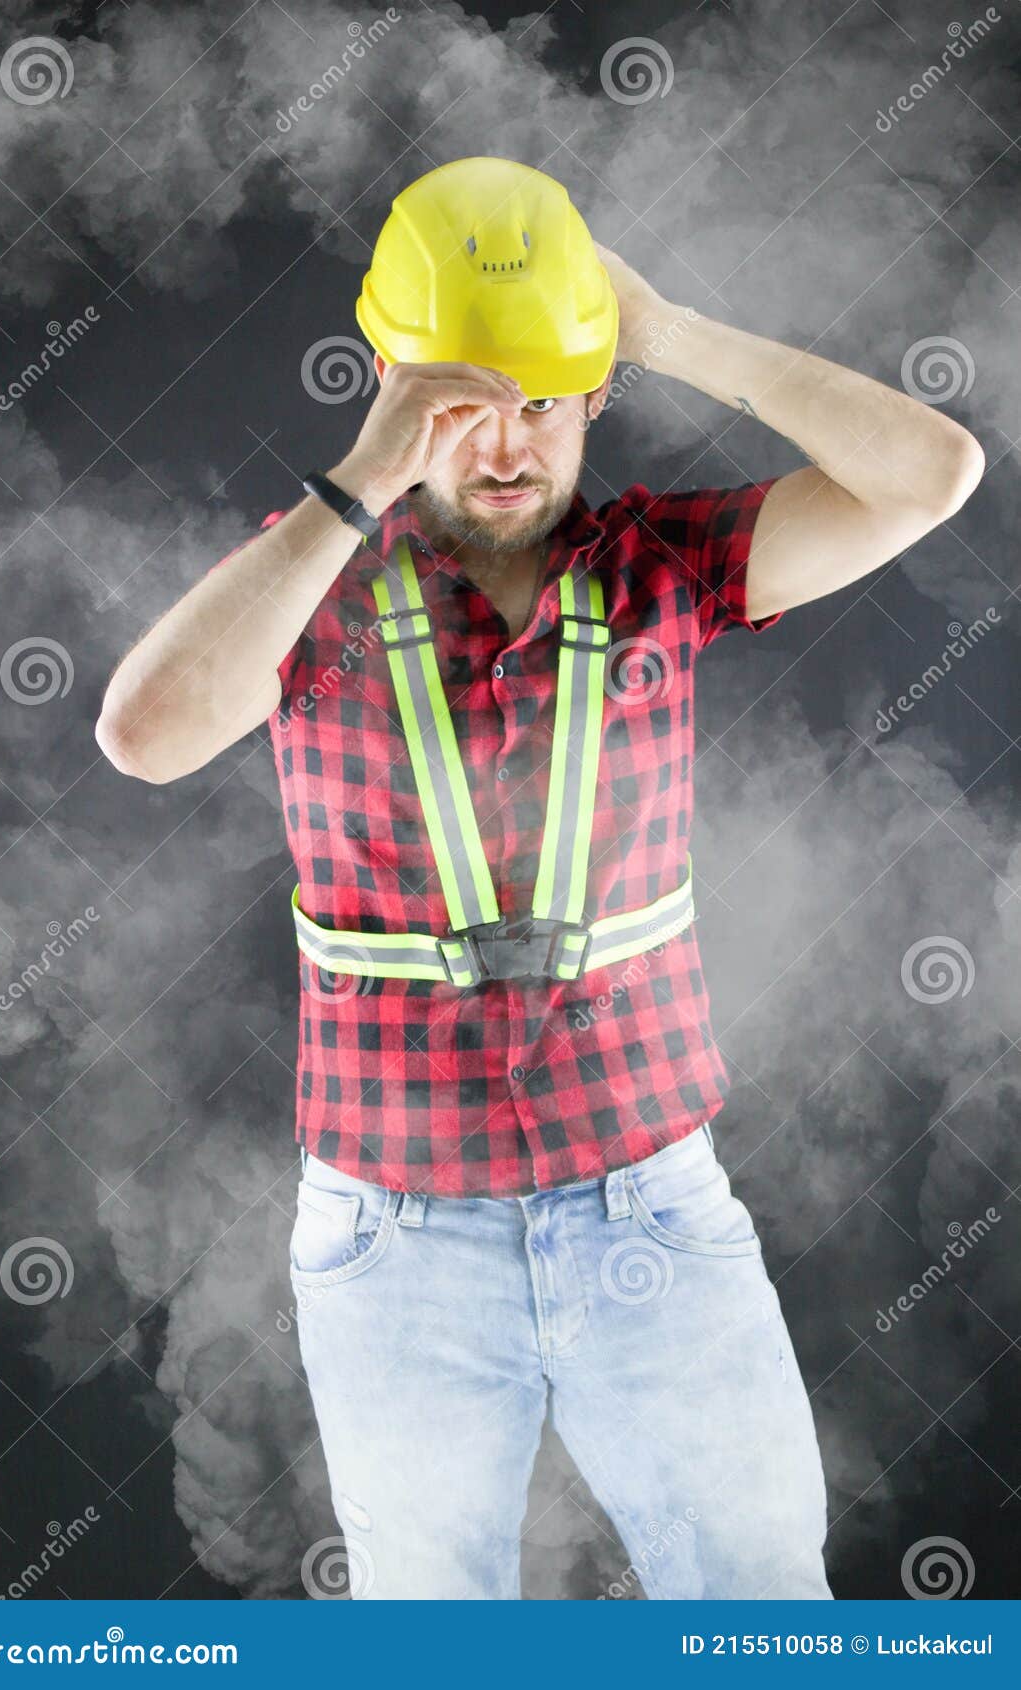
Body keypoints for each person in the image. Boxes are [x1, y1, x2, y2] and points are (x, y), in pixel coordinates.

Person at [95, 157, 984, 1600]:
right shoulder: (310, 583)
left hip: (654, 1205)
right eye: (465, 405)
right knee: (433, 1627)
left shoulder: (663, 567)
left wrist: (673, 328)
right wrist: (365, 475)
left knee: (767, 1608)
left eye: (551, 400)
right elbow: (141, 734)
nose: (510, 444)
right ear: (391, 385)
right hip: (394, 1227)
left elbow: (934, 475)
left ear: (594, 390)